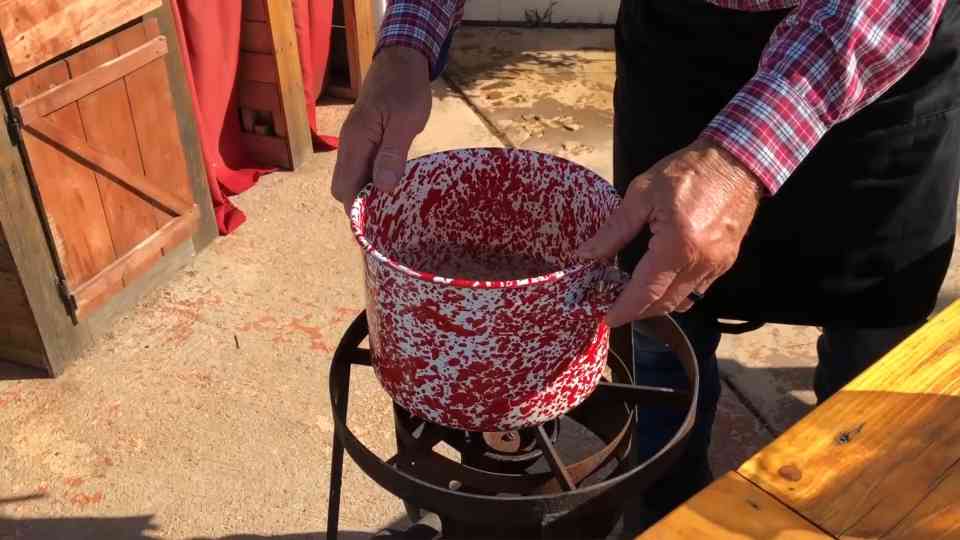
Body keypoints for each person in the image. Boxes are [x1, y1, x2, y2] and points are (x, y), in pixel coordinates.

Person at [331, 0, 960, 532]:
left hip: (871, 68)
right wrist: (406, 43)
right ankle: (668, 513)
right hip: (678, 50)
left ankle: (854, 513)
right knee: (659, 322)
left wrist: (737, 159)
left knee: (871, 371)